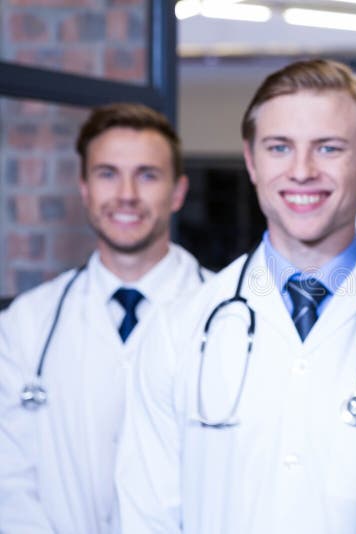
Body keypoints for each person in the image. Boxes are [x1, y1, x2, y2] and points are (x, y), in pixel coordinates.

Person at [115, 59, 356, 534]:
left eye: (328, 148)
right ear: (251, 160)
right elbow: (149, 517)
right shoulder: (177, 329)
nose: (302, 171)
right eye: (279, 147)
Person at [0, 103, 208, 533]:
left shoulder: (226, 316)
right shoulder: (27, 323)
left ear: (178, 192)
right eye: (107, 174)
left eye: (148, 175)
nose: (126, 194)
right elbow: (9, 478)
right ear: (84, 189)